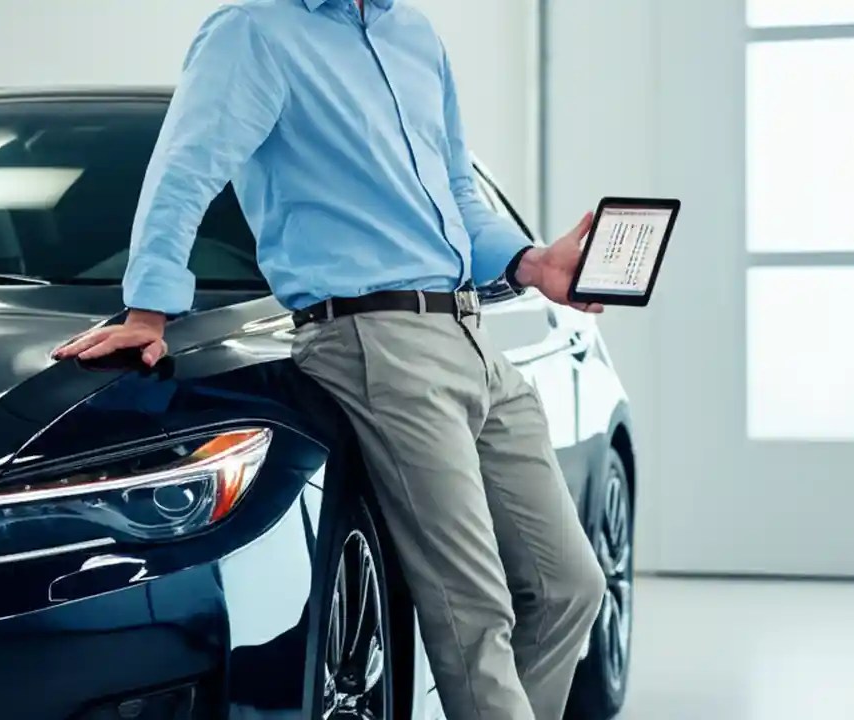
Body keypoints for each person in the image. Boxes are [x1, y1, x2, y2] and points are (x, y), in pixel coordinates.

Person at [54, 1, 607, 717]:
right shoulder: (255, 31)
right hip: (372, 339)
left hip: (468, 332)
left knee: (570, 585)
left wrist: (531, 262)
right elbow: (188, 165)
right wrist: (150, 308)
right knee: (473, 608)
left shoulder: (413, 35)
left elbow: (457, 195)